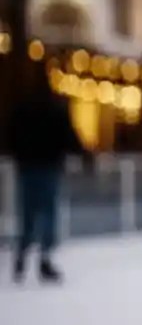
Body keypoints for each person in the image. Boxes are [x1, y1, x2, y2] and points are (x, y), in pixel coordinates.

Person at [7, 62, 86, 285]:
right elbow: (68, 135)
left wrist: (18, 156)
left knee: (28, 214)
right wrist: (84, 155)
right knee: (48, 214)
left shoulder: (22, 107)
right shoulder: (54, 107)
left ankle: (23, 253)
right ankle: (44, 257)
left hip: (27, 168)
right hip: (48, 168)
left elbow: (11, 134)